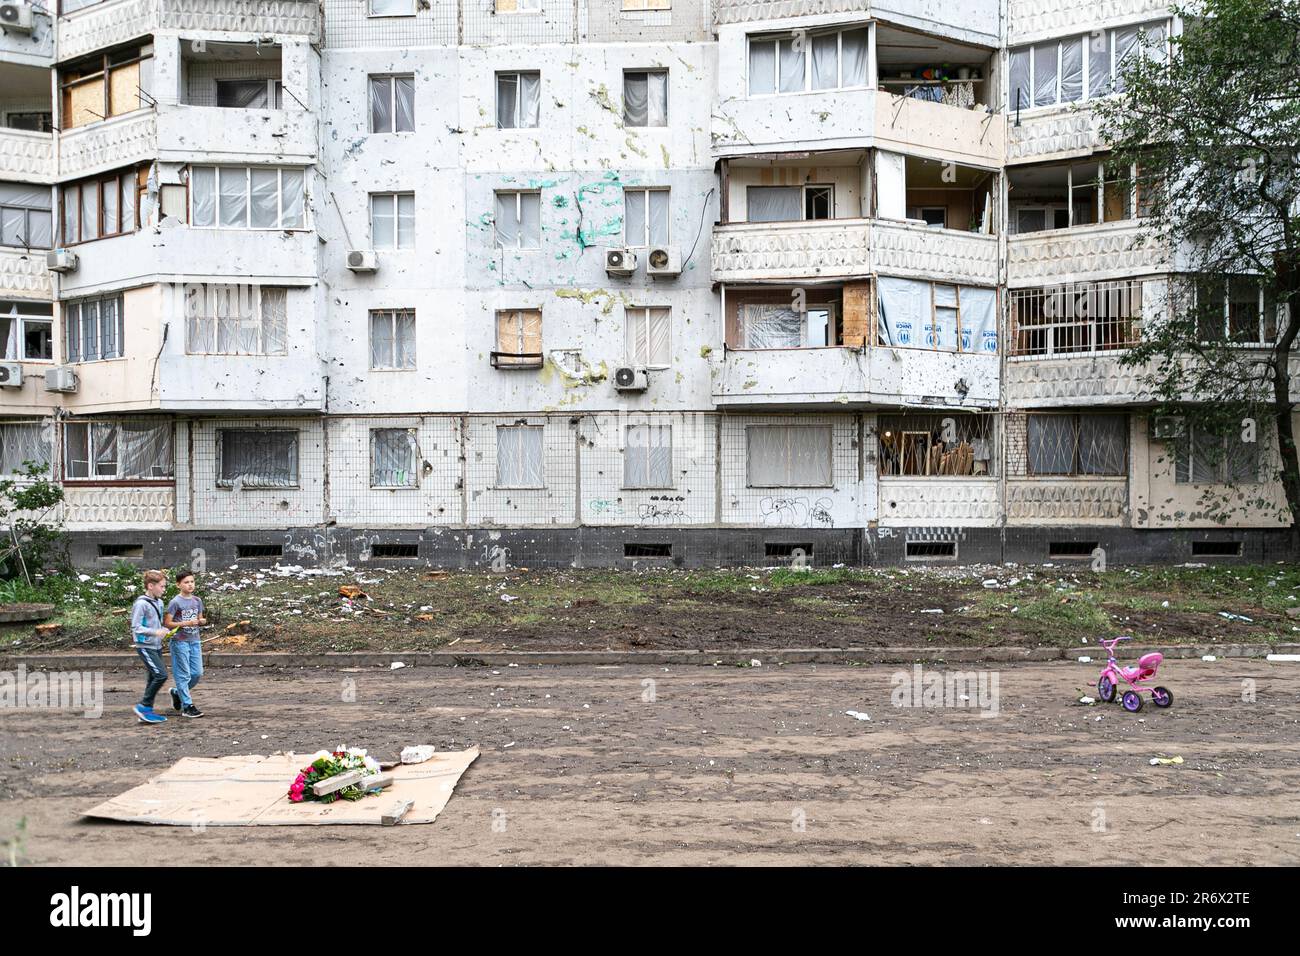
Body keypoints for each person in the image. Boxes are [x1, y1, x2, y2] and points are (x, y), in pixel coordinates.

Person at [164, 569, 207, 718]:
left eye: (192, 581)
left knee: (196, 673)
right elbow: (168, 623)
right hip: (179, 642)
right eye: (186, 582)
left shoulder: (197, 601)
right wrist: (186, 623)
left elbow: (200, 618)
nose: (190, 585)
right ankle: (187, 706)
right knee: (183, 675)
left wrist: (201, 621)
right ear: (178, 585)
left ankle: (176, 693)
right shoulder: (175, 602)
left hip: (194, 640)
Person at [131, 570, 170, 725]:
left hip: (156, 645)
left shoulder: (159, 603)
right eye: (161, 586)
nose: (164, 589)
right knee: (161, 675)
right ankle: (144, 706)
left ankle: (146, 711)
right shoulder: (141, 604)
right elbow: (136, 627)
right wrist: (156, 632)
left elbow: (157, 624)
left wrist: (164, 632)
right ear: (150, 586)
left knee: (153, 676)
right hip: (145, 646)